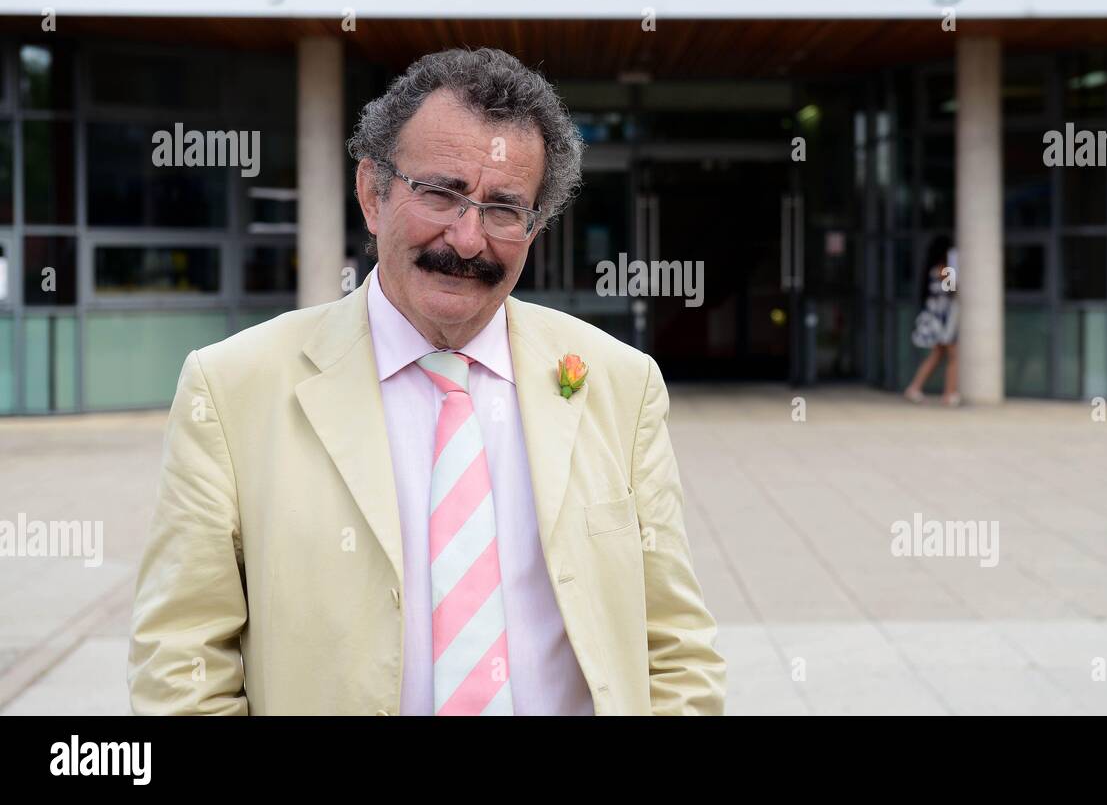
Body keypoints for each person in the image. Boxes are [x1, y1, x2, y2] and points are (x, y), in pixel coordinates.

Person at [127, 47, 725, 716]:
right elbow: (181, 665)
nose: (468, 239)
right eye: (440, 193)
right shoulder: (233, 388)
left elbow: (675, 648)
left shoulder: (619, 383)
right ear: (371, 194)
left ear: (536, 228)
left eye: (503, 208)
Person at [903, 235, 960, 407]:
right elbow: (952, 289)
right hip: (943, 318)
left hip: (936, 316)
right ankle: (949, 394)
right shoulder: (944, 268)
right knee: (952, 355)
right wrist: (955, 266)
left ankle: (915, 388)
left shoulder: (932, 268)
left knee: (938, 355)